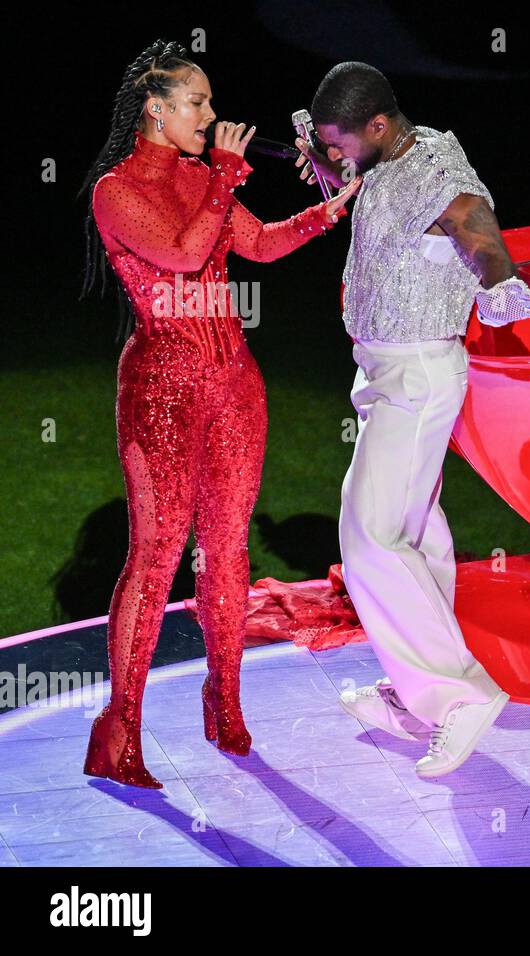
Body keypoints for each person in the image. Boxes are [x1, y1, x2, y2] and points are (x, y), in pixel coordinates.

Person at [79, 39, 360, 788]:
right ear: (156, 108)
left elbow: (256, 245)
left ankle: (225, 702)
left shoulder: (207, 178)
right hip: (161, 391)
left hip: (234, 384)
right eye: (196, 103)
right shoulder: (115, 191)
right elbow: (178, 252)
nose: (210, 115)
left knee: (229, 549)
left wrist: (324, 212)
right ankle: (123, 729)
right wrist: (227, 178)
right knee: (158, 552)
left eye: (208, 102)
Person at [294, 61, 530, 778]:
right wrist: (322, 156)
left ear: (378, 124)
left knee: (369, 532)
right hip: (385, 375)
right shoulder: (386, 158)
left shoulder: (435, 166)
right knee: (415, 534)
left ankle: (459, 697)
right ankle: (416, 696)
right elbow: (358, 182)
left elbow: (472, 218)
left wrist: (499, 282)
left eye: (343, 143)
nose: (338, 156)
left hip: (419, 376)